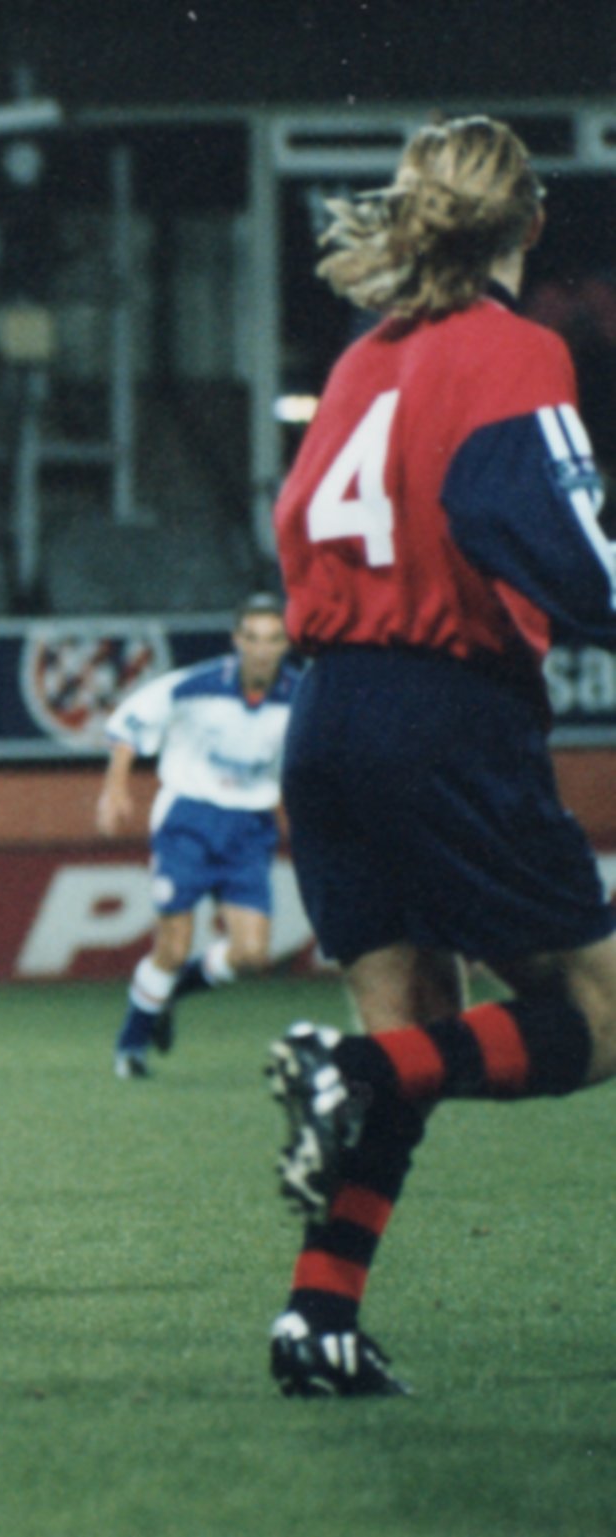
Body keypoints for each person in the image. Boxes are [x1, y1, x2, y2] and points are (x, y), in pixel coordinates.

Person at [266, 116, 614, 1397]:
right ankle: (344, 1071)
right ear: (527, 226)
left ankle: (316, 1319)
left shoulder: (365, 358)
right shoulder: (516, 351)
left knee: (409, 1019)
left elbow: (297, 520)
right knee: (599, 1016)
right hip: (442, 712)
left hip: (327, 714)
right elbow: (537, 530)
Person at [95, 593, 300, 1079]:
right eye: (252, 638)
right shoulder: (197, 685)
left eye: (273, 639)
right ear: (237, 640)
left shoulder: (301, 697)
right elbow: (129, 723)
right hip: (188, 819)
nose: (262, 649)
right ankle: (131, 1047)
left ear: (287, 642)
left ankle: (171, 995)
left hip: (250, 827)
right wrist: (114, 789)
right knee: (172, 945)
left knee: (252, 955)